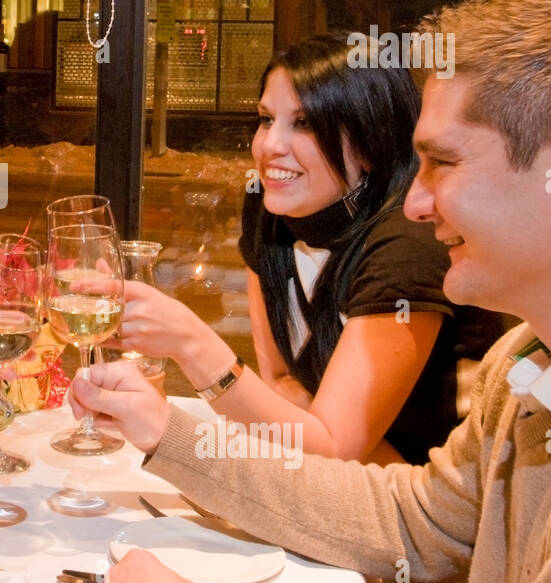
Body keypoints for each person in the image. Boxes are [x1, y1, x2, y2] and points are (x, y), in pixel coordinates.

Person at [75, 0, 551, 583]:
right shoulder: (525, 362)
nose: (414, 203)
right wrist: (169, 434)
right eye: (266, 119)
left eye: (442, 162)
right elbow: (408, 517)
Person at [114, 35, 507, 464]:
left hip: (427, 507)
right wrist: (316, 428)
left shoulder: (406, 245)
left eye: (304, 124)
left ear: (369, 144)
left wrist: (191, 344)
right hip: (337, 485)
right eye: (266, 119)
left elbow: (335, 448)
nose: (270, 146)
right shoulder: (269, 213)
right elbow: (278, 383)